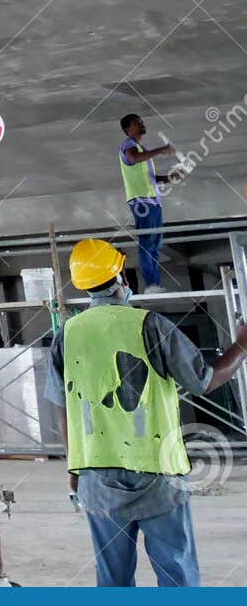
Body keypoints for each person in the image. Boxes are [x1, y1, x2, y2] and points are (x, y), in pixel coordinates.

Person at [45, 237, 247, 587]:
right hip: (158, 474)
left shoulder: (66, 335)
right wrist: (242, 344)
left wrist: (74, 470)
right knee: (176, 575)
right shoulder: (150, 325)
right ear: (120, 276)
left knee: (113, 581)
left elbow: (63, 408)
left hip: (96, 477)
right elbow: (204, 380)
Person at [119, 114, 180, 293]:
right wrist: (161, 150)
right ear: (128, 129)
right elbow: (132, 159)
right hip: (142, 200)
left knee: (154, 245)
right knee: (148, 244)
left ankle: (155, 284)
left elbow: (149, 178)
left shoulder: (140, 149)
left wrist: (168, 178)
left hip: (152, 200)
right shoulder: (128, 145)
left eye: (142, 122)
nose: (141, 124)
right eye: (137, 122)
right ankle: (152, 285)